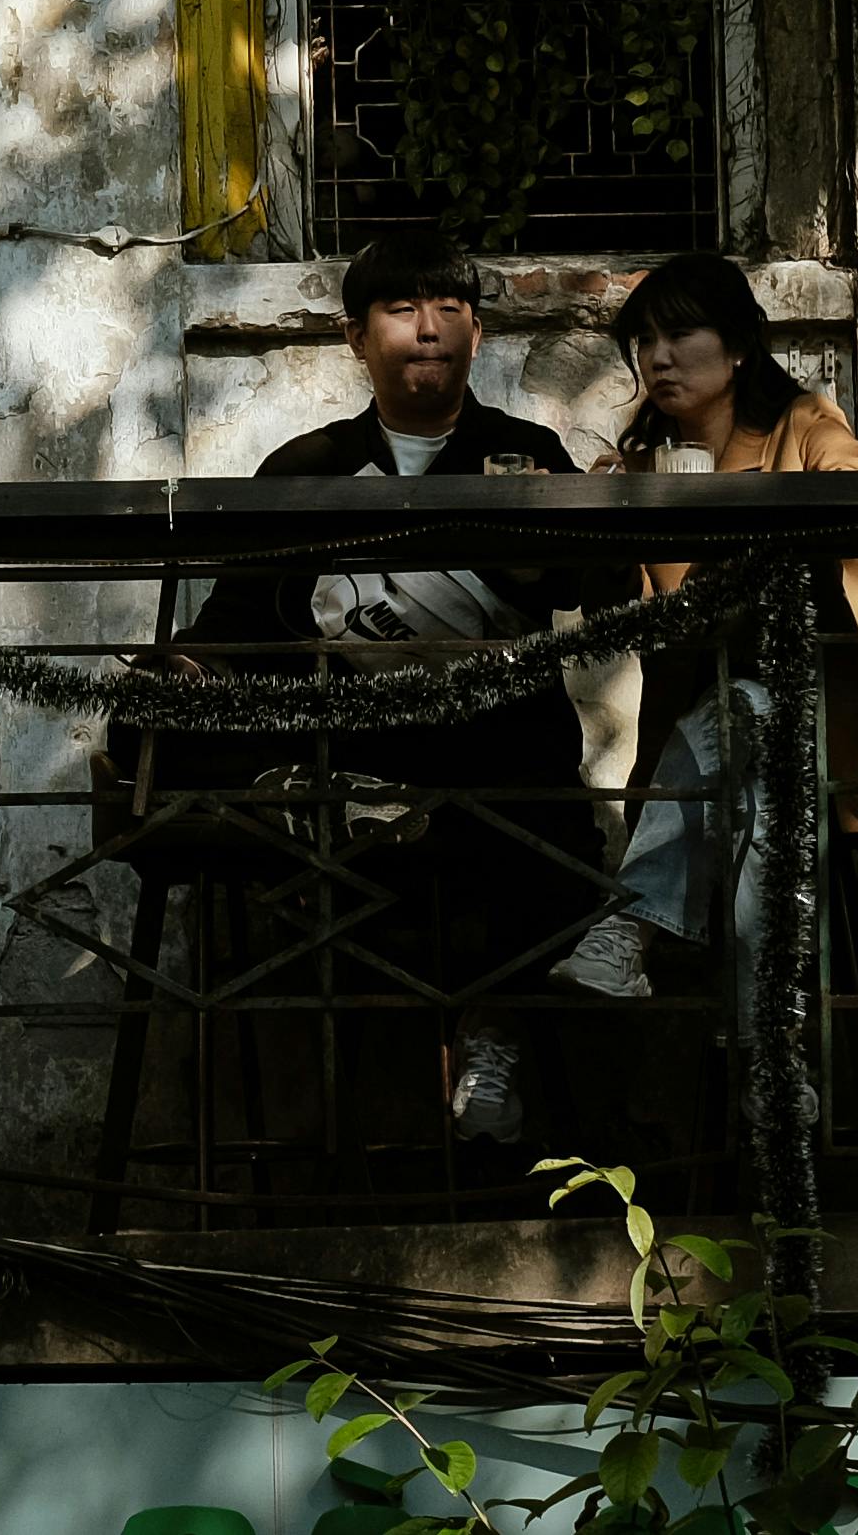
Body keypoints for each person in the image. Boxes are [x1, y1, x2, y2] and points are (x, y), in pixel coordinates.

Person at [168, 229, 604, 1142]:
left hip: (500, 742)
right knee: (177, 738)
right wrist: (185, 672)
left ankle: (495, 1032)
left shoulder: (522, 454)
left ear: (478, 336)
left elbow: (597, 586)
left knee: (538, 803)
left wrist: (523, 566)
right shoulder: (307, 470)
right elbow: (240, 616)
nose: (429, 329)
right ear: (355, 337)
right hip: (356, 747)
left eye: (450, 310)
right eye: (402, 309)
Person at [551, 251, 858, 1002]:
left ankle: (627, 930)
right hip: (703, 747)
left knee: (748, 709)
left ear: (740, 346)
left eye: (681, 336)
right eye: (644, 341)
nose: (657, 357)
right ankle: (772, 1077)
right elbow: (606, 612)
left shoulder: (803, 422)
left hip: (829, 718)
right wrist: (603, 520)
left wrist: (733, 499)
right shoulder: (641, 464)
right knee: (745, 741)